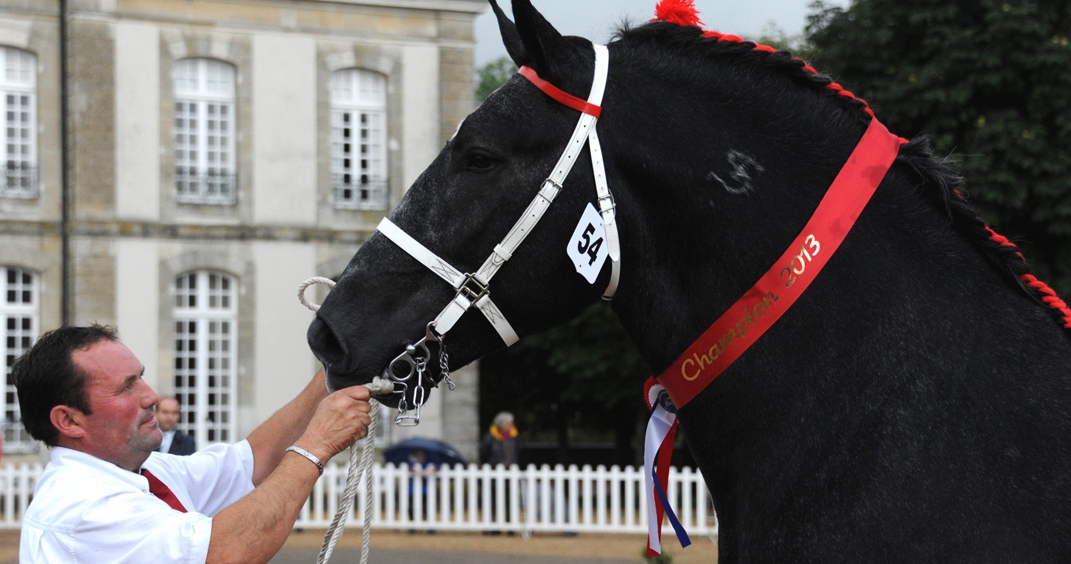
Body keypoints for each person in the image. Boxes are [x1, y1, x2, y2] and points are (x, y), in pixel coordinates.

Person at [12, 324, 372, 564]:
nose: (151, 395)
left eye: (141, 378)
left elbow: (254, 461)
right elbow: (227, 552)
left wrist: (337, 370)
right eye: (126, 386)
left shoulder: (144, 470)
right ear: (69, 420)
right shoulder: (83, 507)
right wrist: (316, 445)